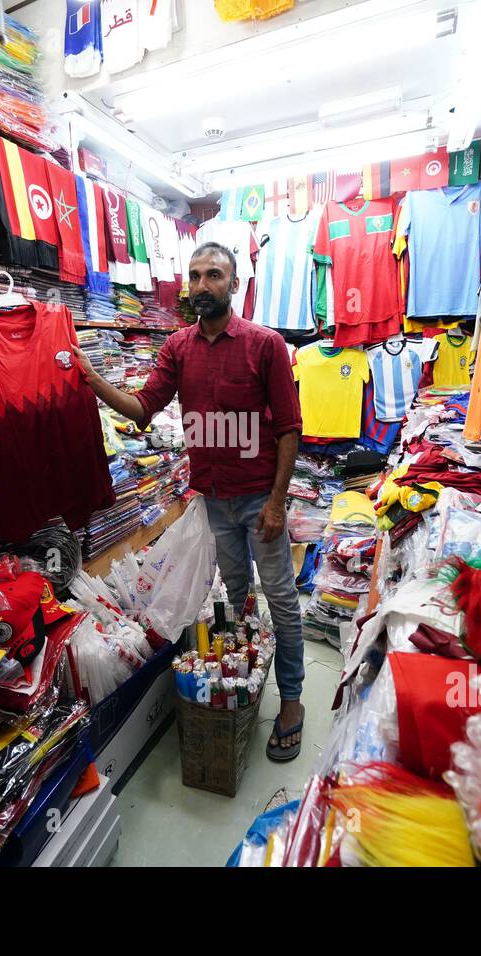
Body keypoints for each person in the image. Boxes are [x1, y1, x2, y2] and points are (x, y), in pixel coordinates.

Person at [74, 242, 308, 761]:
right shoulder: (177, 348)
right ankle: (243, 680)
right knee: (236, 597)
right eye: (196, 276)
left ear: (234, 284)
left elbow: (290, 430)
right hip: (214, 501)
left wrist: (276, 503)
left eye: (214, 276)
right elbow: (142, 409)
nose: (202, 285)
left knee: (283, 601)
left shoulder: (265, 345)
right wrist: (93, 381)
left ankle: (291, 700)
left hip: (258, 499)